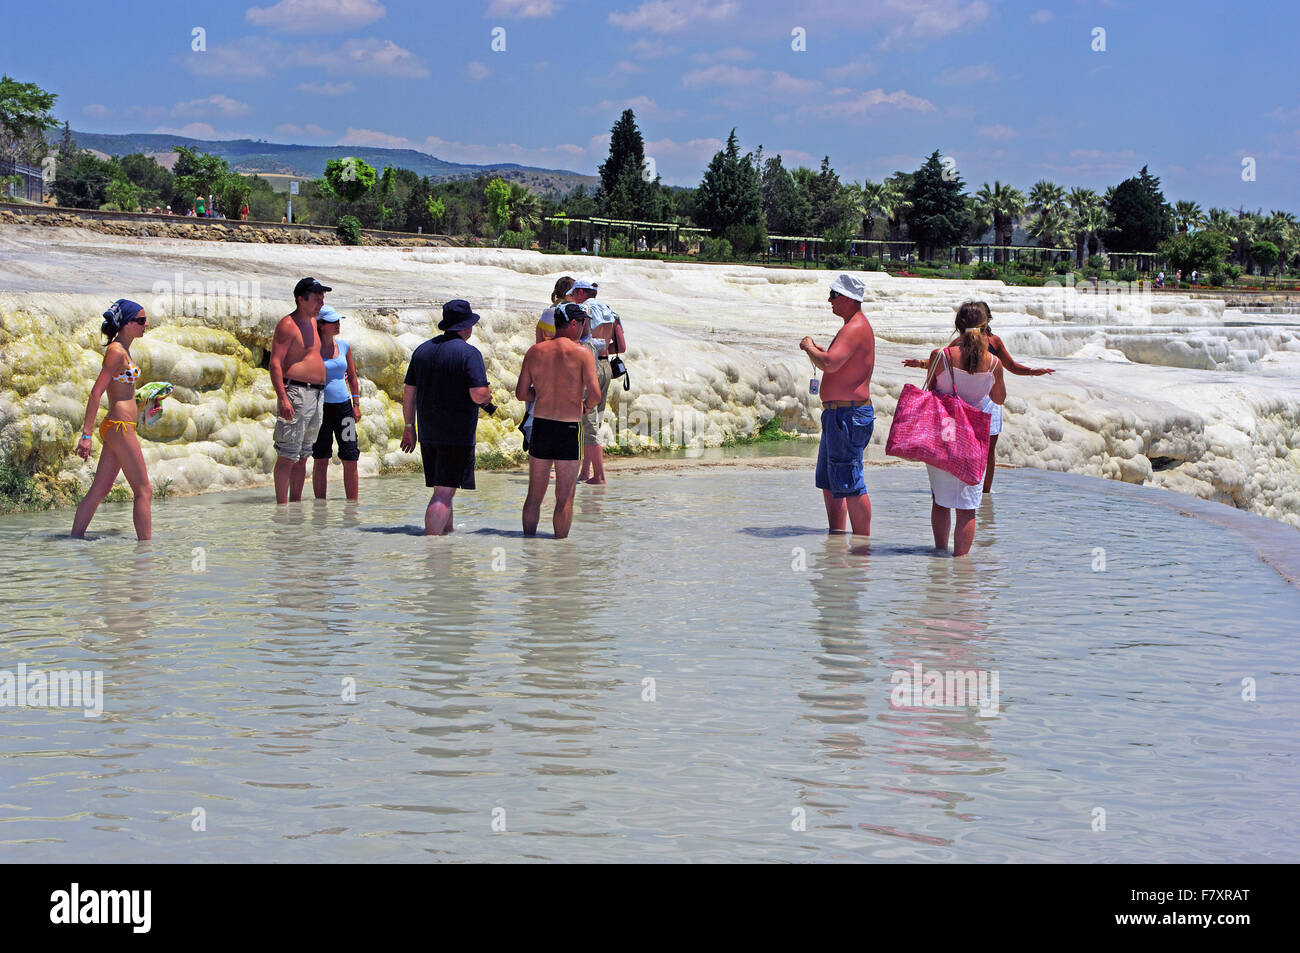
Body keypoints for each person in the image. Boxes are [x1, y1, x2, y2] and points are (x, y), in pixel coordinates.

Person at [903, 302, 1053, 492]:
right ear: (985, 321)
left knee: (987, 451)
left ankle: (983, 491)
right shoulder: (961, 342)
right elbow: (946, 359)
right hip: (972, 400)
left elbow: (1012, 366)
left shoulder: (994, 341)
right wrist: (921, 363)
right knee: (970, 448)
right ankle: (971, 490)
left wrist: (1033, 371)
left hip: (985, 401)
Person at [919, 303, 1006, 557]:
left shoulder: (941, 355)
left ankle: (938, 556)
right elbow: (999, 399)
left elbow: (932, 387)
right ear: (985, 328)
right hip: (973, 439)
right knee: (967, 508)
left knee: (940, 500)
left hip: (944, 435)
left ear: (957, 326)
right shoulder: (993, 364)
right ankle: (961, 566)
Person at [399, 300, 492, 536]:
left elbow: (409, 393)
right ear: (466, 327)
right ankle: (433, 547)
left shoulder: (422, 350)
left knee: (443, 488)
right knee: (443, 493)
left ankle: (446, 541)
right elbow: (478, 394)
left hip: (428, 433)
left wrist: (409, 427)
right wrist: (487, 397)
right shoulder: (469, 354)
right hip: (456, 433)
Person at [799, 274, 876, 536]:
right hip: (838, 414)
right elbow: (835, 361)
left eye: (833, 295)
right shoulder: (851, 326)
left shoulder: (855, 326)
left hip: (848, 414)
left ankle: (861, 545)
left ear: (847, 298)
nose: (829, 300)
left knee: (851, 482)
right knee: (831, 480)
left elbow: (830, 363)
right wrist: (819, 351)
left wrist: (809, 347)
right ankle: (837, 538)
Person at [516, 303, 600, 539]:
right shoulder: (582, 353)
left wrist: (541, 394)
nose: (584, 327)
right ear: (574, 324)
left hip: (541, 425)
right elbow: (595, 395)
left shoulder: (536, 351)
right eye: (583, 323)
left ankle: (528, 546)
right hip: (569, 428)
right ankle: (561, 554)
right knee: (565, 497)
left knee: (534, 495)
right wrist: (584, 407)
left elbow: (522, 393)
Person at [71, 299, 153, 540]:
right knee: (144, 490)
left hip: (121, 426)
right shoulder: (116, 352)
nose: (145, 324)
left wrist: (148, 403)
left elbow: (124, 392)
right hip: (119, 426)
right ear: (126, 324)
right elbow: (96, 392)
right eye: (140, 320)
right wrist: (86, 435)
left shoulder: (125, 350)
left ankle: (73, 541)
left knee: (99, 490)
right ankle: (145, 554)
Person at [270, 277, 331, 504]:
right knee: (288, 454)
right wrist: (283, 398)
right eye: (317, 299)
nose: (321, 303)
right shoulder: (288, 324)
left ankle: (295, 505)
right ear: (301, 299)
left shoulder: (314, 323)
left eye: (322, 298)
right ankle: (282, 506)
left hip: (316, 394)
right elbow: (275, 363)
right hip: (296, 392)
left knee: (304, 453)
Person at [569, 279, 626, 484]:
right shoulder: (611, 311)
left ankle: (599, 476)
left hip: (590, 365)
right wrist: (603, 351)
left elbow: (579, 339)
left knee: (587, 421)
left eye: (574, 293)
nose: (572, 297)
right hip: (606, 367)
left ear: (582, 293)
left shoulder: (583, 311)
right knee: (595, 419)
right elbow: (621, 345)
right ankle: (585, 473)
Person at [310, 305, 362, 501]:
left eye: (338, 321)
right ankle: (320, 506)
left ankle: (352, 506)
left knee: (350, 456)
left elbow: (353, 377)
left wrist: (356, 404)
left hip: (344, 409)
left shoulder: (344, 346)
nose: (337, 324)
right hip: (320, 408)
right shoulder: (312, 349)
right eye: (332, 321)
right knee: (321, 457)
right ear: (321, 325)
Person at [523, 276, 576, 452]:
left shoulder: (546, 313)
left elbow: (539, 343)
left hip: (544, 367)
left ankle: (540, 456)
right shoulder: (570, 314)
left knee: (540, 411)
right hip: (565, 368)